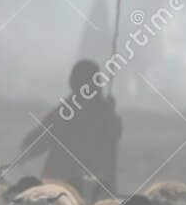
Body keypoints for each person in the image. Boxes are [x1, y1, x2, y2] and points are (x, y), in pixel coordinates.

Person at [19, 60, 122, 192]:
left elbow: (43, 136)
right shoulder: (105, 112)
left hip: (60, 180)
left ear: (74, 83)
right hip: (94, 186)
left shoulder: (69, 109)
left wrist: (26, 152)